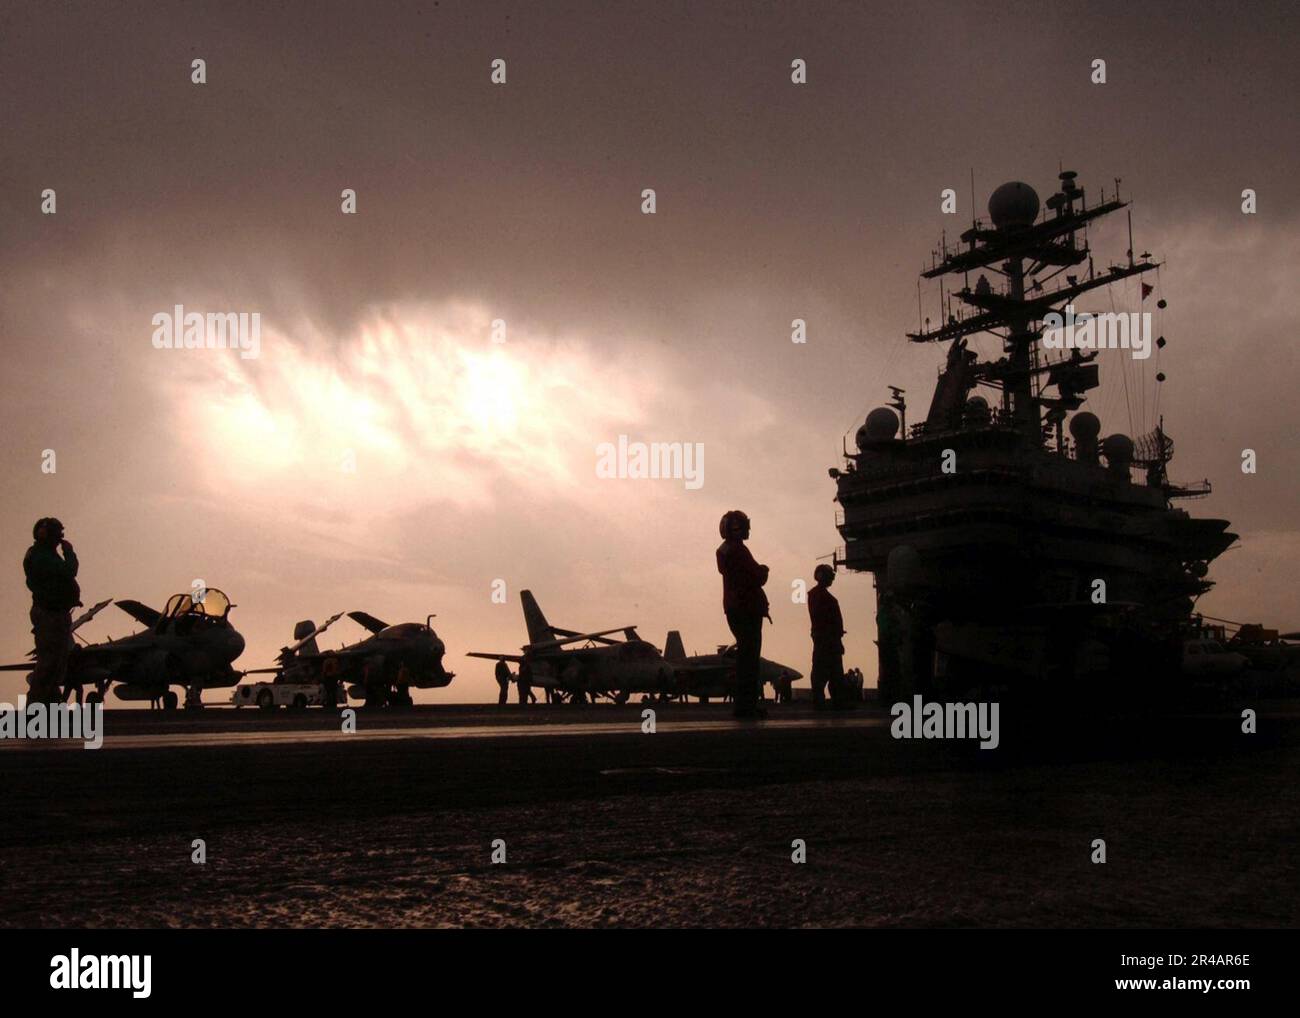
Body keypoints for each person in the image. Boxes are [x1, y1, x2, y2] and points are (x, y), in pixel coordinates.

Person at [716, 510, 770, 718]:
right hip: (747, 609)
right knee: (749, 659)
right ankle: (746, 707)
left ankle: (743, 705)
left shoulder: (724, 551)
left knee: (744, 659)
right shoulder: (739, 551)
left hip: (733, 609)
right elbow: (755, 576)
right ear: (738, 528)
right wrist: (763, 570)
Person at [23, 517, 81, 705]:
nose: (60, 538)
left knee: (57, 663)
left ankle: (51, 703)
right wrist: (69, 552)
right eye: (57, 534)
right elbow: (69, 570)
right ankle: (37, 706)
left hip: (54, 612)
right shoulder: (42, 556)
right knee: (49, 662)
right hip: (50, 614)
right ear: (44, 534)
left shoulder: (44, 554)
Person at [808, 564, 848, 708]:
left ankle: (823, 700)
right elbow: (825, 619)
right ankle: (834, 701)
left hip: (824, 639)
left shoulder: (815, 595)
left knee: (827, 671)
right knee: (831, 671)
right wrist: (836, 638)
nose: (832, 578)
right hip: (828, 640)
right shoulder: (823, 597)